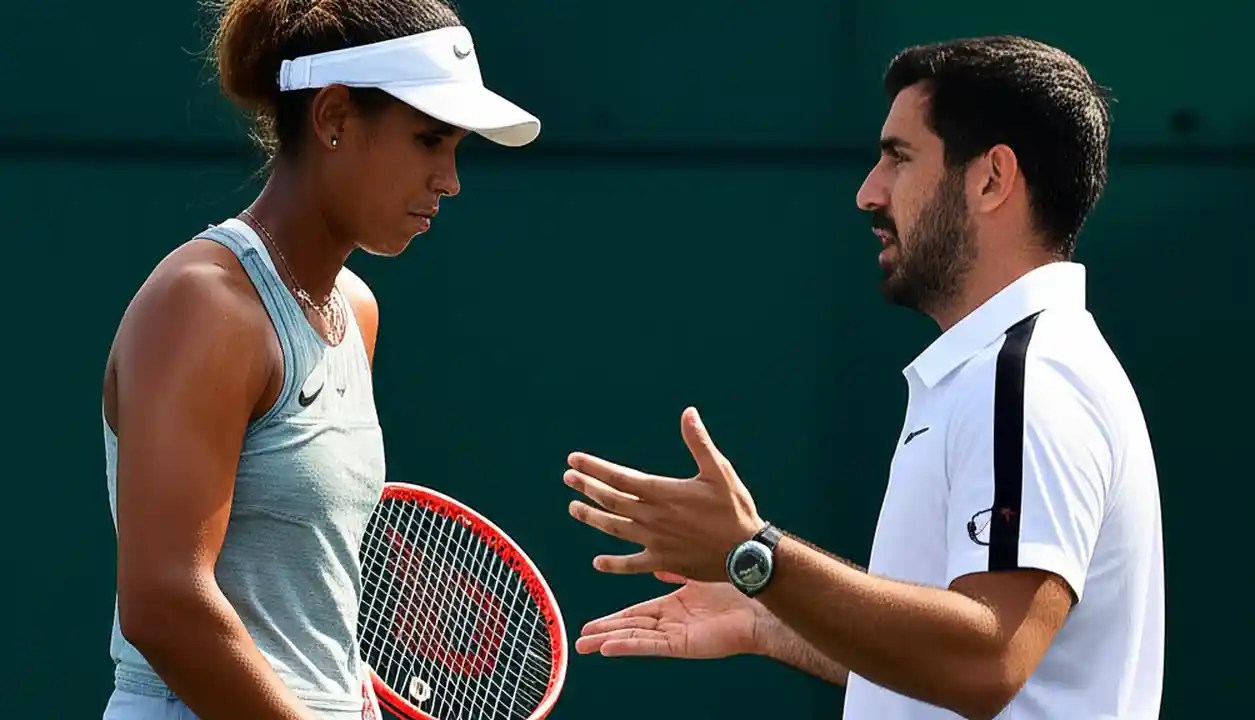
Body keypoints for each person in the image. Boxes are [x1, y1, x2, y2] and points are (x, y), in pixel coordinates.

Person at [564, 35, 1164, 719]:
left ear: (992, 178)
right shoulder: (1010, 370)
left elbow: (990, 658)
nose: (866, 193)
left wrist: (752, 555)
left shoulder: (1025, 376)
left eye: (898, 158)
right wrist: (775, 613)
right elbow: (969, 667)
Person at [100, 1, 539, 718]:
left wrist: (345, 683)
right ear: (334, 118)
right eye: (430, 141)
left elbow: (295, 594)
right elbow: (163, 602)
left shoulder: (355, 311)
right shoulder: (203, 303)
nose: (451, 179)